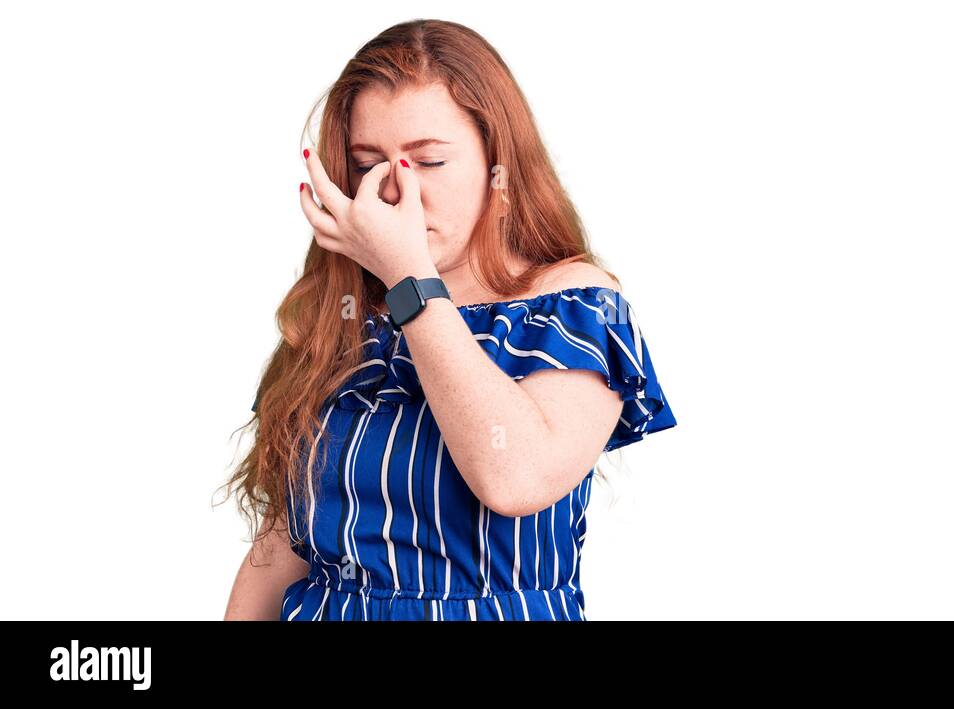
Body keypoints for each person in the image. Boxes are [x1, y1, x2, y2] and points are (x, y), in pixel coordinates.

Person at [221, 18, 676, 621]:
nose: (393, 192)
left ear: (499, 164)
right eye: (368, 163)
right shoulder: (339, 315)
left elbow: (513, 478)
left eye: (429, 161)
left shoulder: (575, 306)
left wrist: (409, 281)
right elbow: (282, 547)